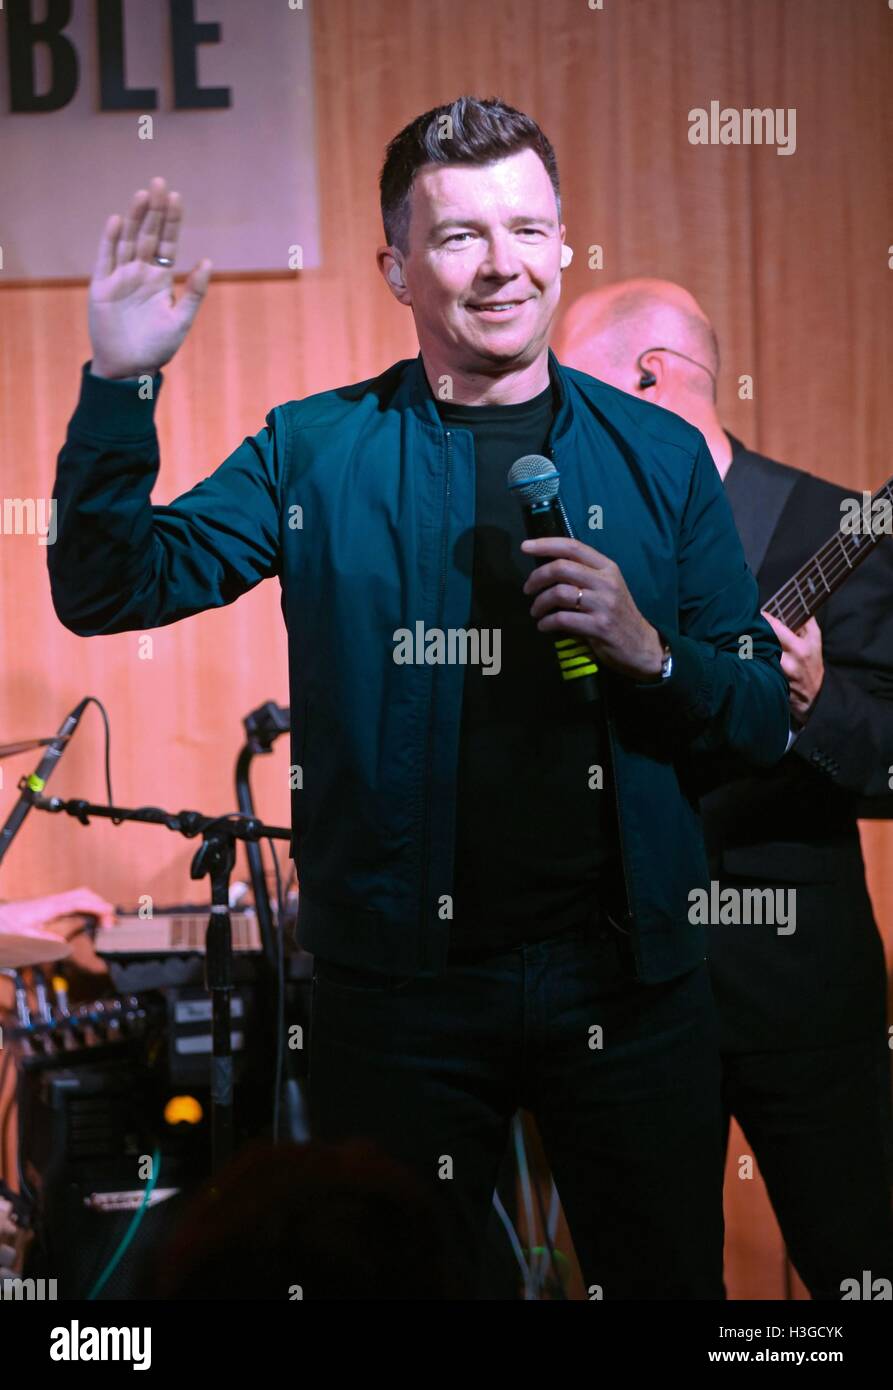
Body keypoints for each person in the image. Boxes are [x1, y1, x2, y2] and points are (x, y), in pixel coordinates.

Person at [47, 97, 789, 1299]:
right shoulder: (314, 451)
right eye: (457, 237)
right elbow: (109, 586)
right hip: (400, 999)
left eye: (526, 229)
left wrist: (651, 651)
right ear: (397, 267)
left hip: (629, 990)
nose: (500, 264)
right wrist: (121, 387)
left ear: (561, 244)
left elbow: (758, 714)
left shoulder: (657, 458)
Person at [556, 277, 893, 1299]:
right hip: (623, 991)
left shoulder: (837, 527)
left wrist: (810, 704)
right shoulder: (574, 547)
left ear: (648, 380)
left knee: (862, 1270)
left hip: (803, 998)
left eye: (573, 391)